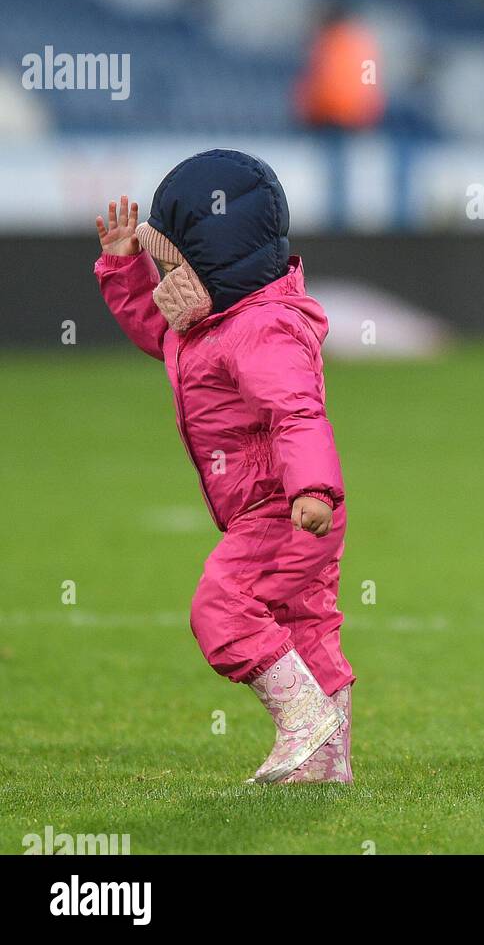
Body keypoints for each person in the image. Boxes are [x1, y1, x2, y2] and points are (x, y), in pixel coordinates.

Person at [94, 149, 354, 784]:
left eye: (170, 257)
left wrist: (313, 487)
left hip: (284, 508)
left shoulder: (259, 329)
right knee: (304, 624)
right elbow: (157, 333)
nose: (164, 273)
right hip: (279, 506)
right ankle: (325, 762)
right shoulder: (209, 323)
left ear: (213, 255)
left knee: (223, 608)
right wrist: (123, 264)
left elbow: (298, 412)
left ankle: (303, 718)